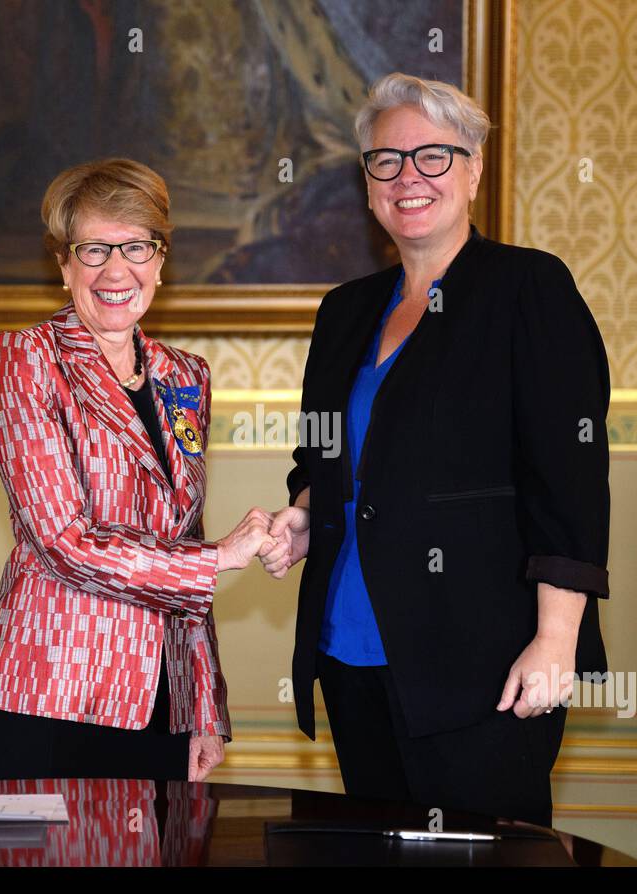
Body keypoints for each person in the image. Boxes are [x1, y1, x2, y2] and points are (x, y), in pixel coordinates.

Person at [257, 73, 612, 828]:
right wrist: (303, 510)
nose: (408, 177)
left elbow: (569, 478)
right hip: (349, 652)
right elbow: (323, 451)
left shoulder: (528, 288)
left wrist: (556, 641)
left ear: (475, 168)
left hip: (483, 663)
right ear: (367, 181)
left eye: (433, 157)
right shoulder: (345, 309)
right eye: (386, 161)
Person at [0, 159, 274, 784]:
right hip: (49, 690)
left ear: (160, 261)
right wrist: (219, 559)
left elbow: (181, 537)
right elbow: (62, 542)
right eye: (93, 249)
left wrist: (202, 704)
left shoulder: (186, 376)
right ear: (64, 264)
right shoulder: (23, 358)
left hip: (161, 701)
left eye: (135, 246)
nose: (115, 270)